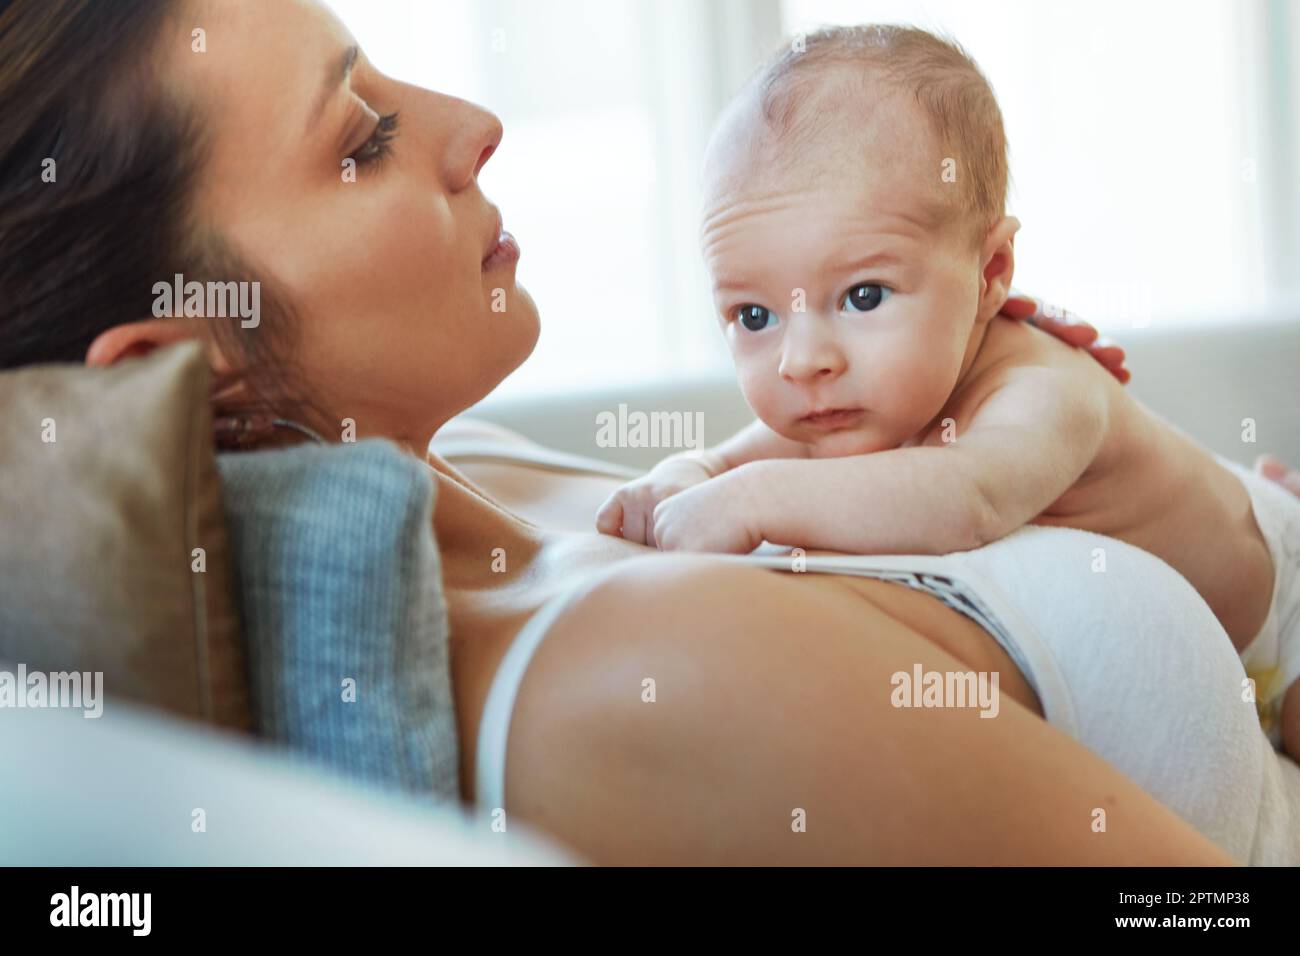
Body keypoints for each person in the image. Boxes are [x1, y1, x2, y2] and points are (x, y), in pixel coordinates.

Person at [3, 0, 1291, 865]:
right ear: (198, 365)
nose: (472, 124)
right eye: (364, 139)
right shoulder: (629, 682)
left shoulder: (480, 463)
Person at [595, 26, 1300, 759]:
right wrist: (677, 481)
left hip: (1284, 611)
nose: (801, 362)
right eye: (755, 316)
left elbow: (966, 498)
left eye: (863, 295)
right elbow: (732, 466)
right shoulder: (857, 393)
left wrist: (750, 501)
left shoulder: (1044, 392)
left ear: (991, 272)